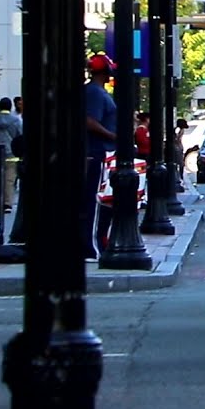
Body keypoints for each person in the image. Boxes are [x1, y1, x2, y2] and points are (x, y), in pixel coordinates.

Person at [85, 54, 118, 260]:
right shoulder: (95, 93)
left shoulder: (97, 92)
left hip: (101, 151)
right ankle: (92, 245)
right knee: (96, 200)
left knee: (100, 200)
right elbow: (89, 121)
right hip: (98, 151)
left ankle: (95, 242)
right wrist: (113, 135)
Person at [0, 97, 23, 212]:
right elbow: (20, 136)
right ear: (10, 106)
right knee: (9, 180)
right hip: (11, 154)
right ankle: (7, 203)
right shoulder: (16, 121)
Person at [173, 118, 188, 192]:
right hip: (177, 148)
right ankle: (180, 178)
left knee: (180, 164)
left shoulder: (179, 130)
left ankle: (180, 178)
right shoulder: (178, 130)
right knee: (180, 164)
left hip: (178, 147)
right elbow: (177, 139)